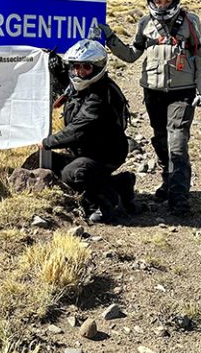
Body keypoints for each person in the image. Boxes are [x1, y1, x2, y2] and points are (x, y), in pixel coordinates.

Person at [99, 0, 201, 217]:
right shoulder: (144, 24)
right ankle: (167, 182)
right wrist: (110, 37)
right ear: (150, 0)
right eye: (157, 0)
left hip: (183, 92)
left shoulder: (190, 21)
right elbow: (131, 55)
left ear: (175, 0)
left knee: (177, 142)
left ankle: (179, 197)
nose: (162, 5)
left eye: (166, 0)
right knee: (160, 139)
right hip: (153, 91)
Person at [41, 38, 136, 224]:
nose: (80, 71)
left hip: (105, 154)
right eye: (76, 66)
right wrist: (60, 71)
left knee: (73, 173)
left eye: (86, 67)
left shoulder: (99, 96)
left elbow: (77, 131)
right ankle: (121, 183)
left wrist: (47, 142)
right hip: (85, 150)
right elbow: (72, 93)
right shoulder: (85, 86)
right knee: (47, 161)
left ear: (98, 67)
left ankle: (107, 203)